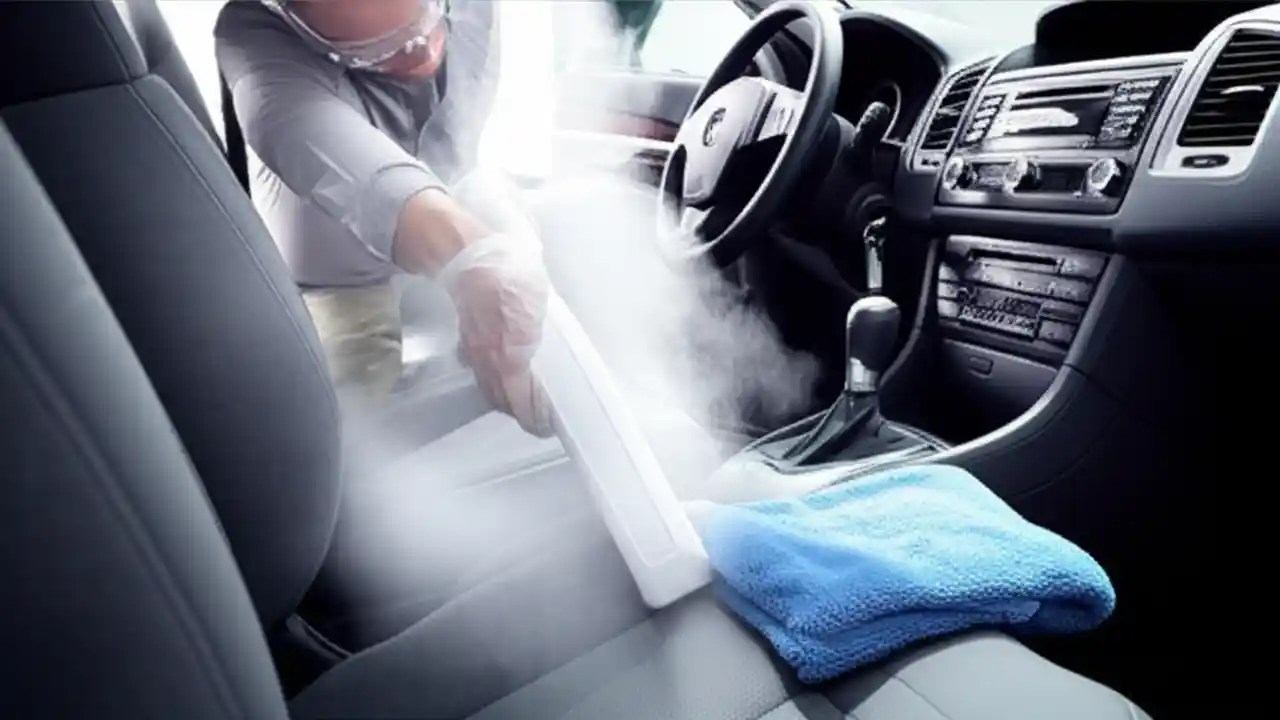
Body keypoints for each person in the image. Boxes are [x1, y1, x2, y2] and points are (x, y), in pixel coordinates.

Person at [215, 0, 552, 436]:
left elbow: (458, 139)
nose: (424, 56)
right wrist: (472, 255)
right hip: (336, 286)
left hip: (448, 222)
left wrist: (494, 225)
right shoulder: (256, 40)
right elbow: (331, 151)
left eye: (428, 22)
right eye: (376, 52)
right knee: (344, 432)